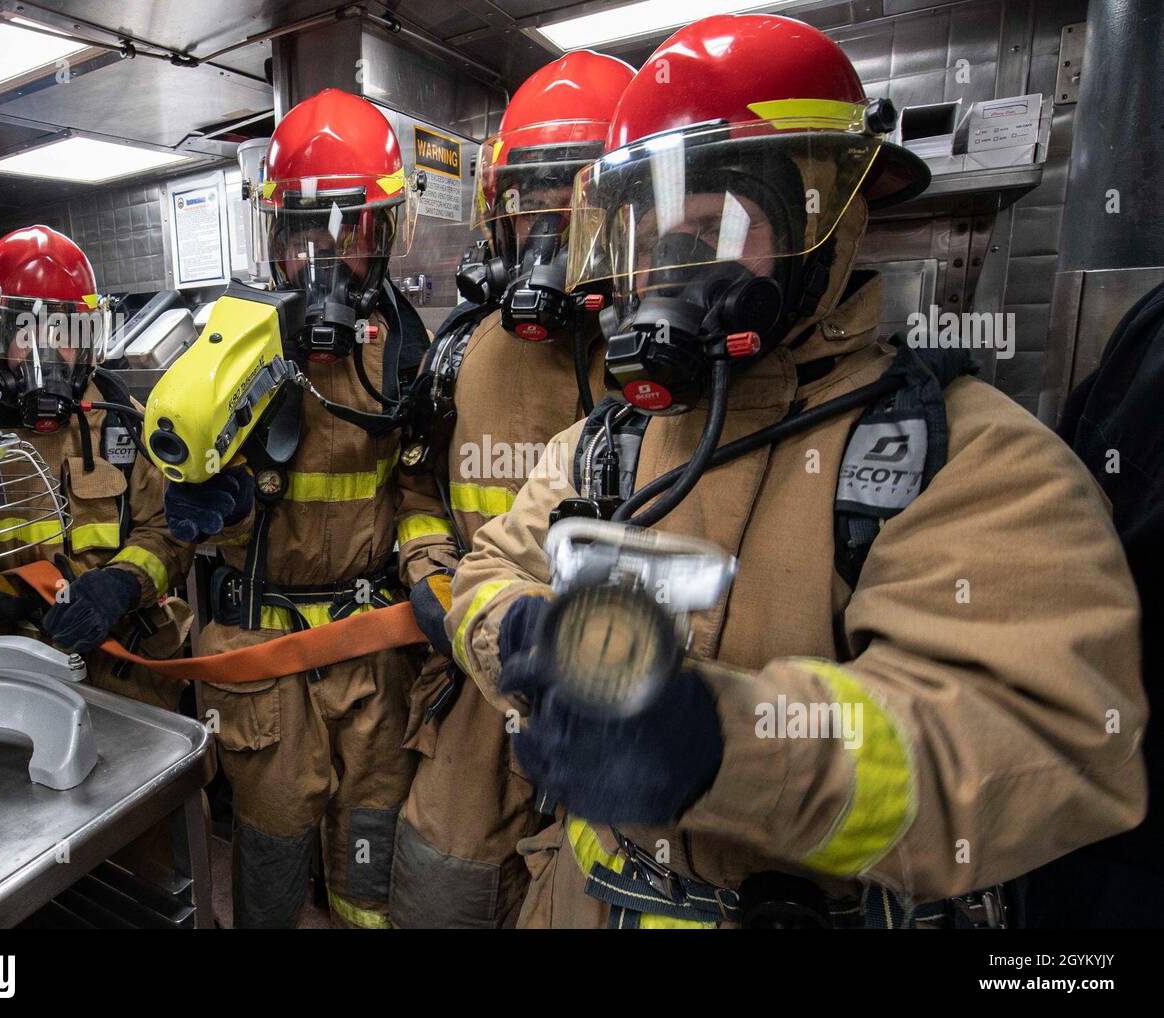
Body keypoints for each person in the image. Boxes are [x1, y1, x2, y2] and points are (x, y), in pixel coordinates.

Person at [446, 13, 1148, 929]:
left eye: (718, 225)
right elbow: (485, 570)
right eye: (652, 239)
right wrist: (522, 638)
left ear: (828, 225)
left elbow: (1050, 744)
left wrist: (724, 745)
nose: (672, 273)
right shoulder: (605, 443)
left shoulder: (964, 457)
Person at [161, 88, 431, 929]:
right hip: (262, 668)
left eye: (349, 233)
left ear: (382, 240)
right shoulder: (225, 354)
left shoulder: (409, 357)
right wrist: (207, 503)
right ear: (273, 241)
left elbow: (419, 491)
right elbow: (172, 514)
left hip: (371, 664)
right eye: (302, 234)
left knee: (367, 869)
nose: (322, 260)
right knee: (270, 870)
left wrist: (432, 575)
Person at [390, 50, 635, 928]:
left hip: (618, 702)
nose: (545, 229)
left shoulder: (667, 373)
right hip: (477, 677)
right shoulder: (462, 354)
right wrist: (427, 571)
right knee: (439, 885)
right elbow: (415, 485)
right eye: (528, 200)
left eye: (572, 201)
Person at [0, 224, 188, 713]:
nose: (45, 351)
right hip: (13, 669)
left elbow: (168, 530)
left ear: (88, 337)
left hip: (125, 664)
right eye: (24, 331)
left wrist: (122, 584)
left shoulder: (122, 419)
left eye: (63, 330)